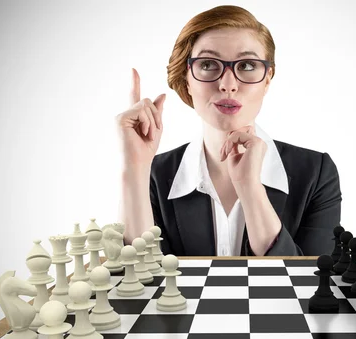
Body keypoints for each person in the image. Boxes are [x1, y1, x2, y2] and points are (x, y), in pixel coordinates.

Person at [116, 5, 342, 256]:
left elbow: (309, 283)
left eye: (246, 65)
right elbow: (142, 281)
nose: (227, 85)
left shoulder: (316, 172)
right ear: (187, 78)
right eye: (208, 64)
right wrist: (135, 167)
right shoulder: (154, 174)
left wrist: (251, 188)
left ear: (267, 79)